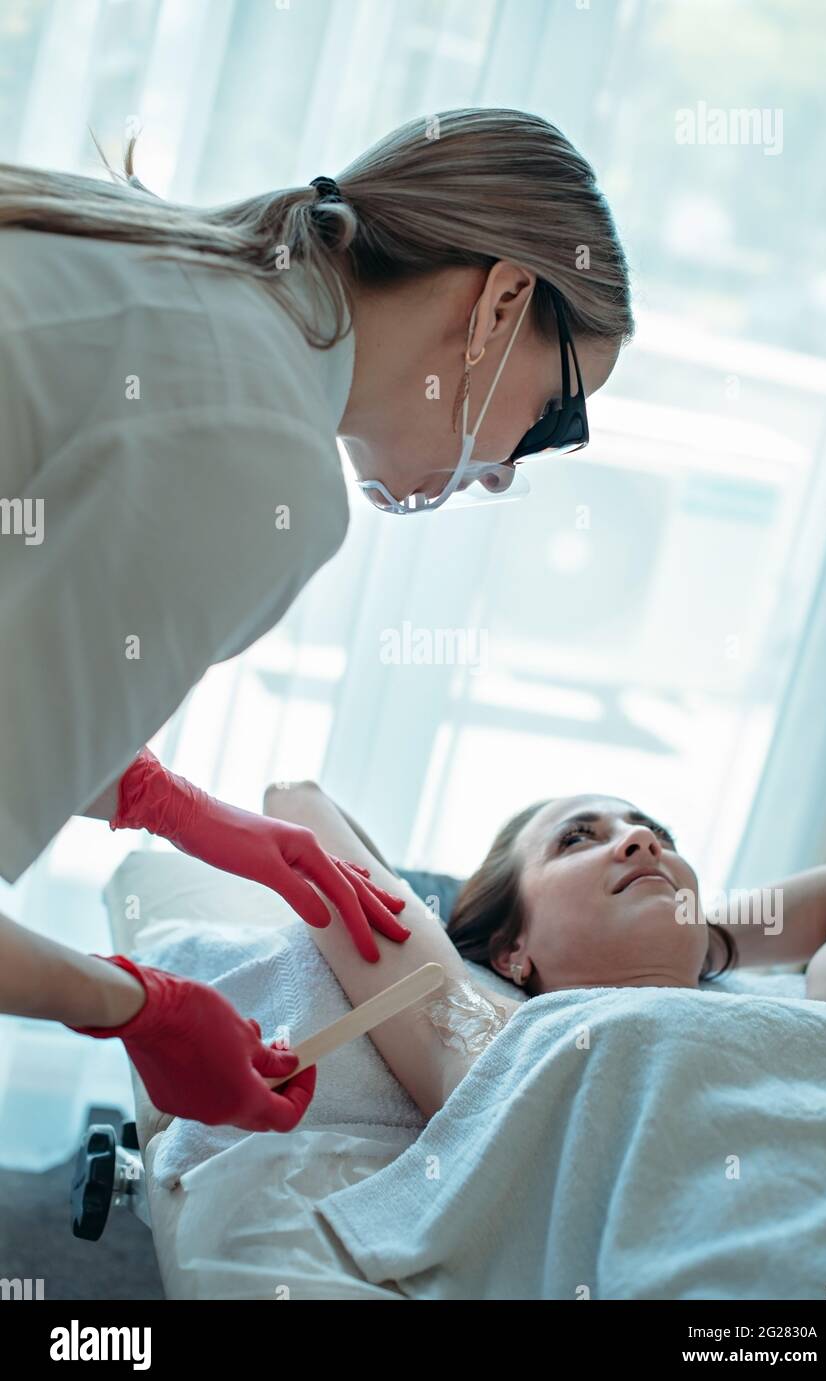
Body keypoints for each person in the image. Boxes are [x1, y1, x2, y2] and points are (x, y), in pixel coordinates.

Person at [0, 107, 632, 1128]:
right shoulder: (259, 450)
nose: (511, 469)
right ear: (506, 297)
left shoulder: (190, 284)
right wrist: (137, 1009)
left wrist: (158, 800)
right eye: (558, 417)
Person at [262, 780, 826, 1120]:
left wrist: (695, 939)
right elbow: (295, 802)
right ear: (509, 950)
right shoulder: (500, 1047)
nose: (641, 841)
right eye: (576, 839)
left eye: (660, 838)